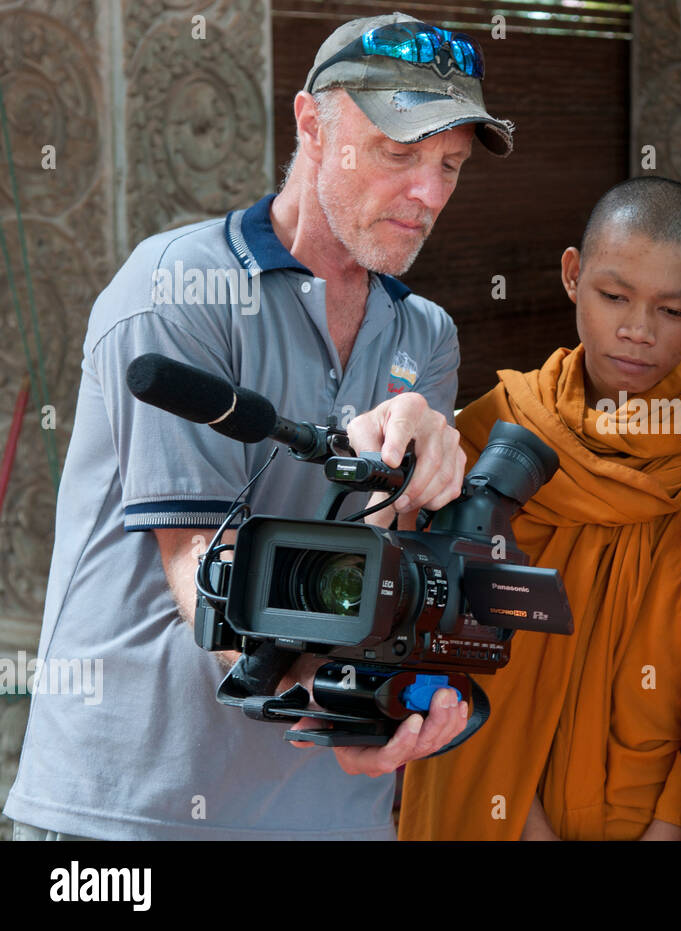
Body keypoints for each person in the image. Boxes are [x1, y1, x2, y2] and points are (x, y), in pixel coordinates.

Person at [4, 12, 512, 840]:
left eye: (449, 165)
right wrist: (328, 702)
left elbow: (378, 575)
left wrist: (380, 701)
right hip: (130, 816)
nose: (429, 193)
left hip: (329, 816)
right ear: (313, 123)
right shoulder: (178, 287)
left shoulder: (427, 336)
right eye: (399, 152)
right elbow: (208, 580)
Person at [397, 177, 681, 841]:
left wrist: (678, 818)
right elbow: (450, 649)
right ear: (573, 274)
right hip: (506, 807)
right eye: (613, 296)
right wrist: (519, 818)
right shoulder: (495, 436)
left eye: (674, 311)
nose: (637, 330)